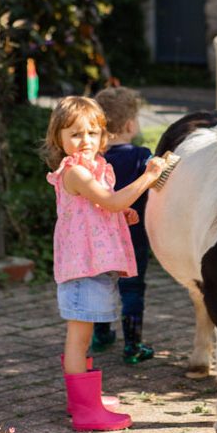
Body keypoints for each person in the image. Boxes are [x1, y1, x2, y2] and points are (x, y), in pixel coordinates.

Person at [43, 96, 165, 431]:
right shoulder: (76, 172)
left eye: (92, 133)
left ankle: (82, 399)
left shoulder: (94, 169)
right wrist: (148, 177)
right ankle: (86, 411)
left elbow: (97, 209)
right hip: (83, 269)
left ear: (103, 136)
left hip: (91, 266)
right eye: (75, 134)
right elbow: (109, 201)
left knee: (81, 338)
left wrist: (119, 214)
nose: (85, 140)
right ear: (59, 139)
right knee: (78, 338)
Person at [91, 86, 156, 364]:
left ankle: (101, 334)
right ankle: (133, 345)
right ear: (130, 125)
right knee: (132, 288)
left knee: (101, 284)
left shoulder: (94, 160)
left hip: (99, 237)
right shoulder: (141, 156)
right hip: (133, 235)